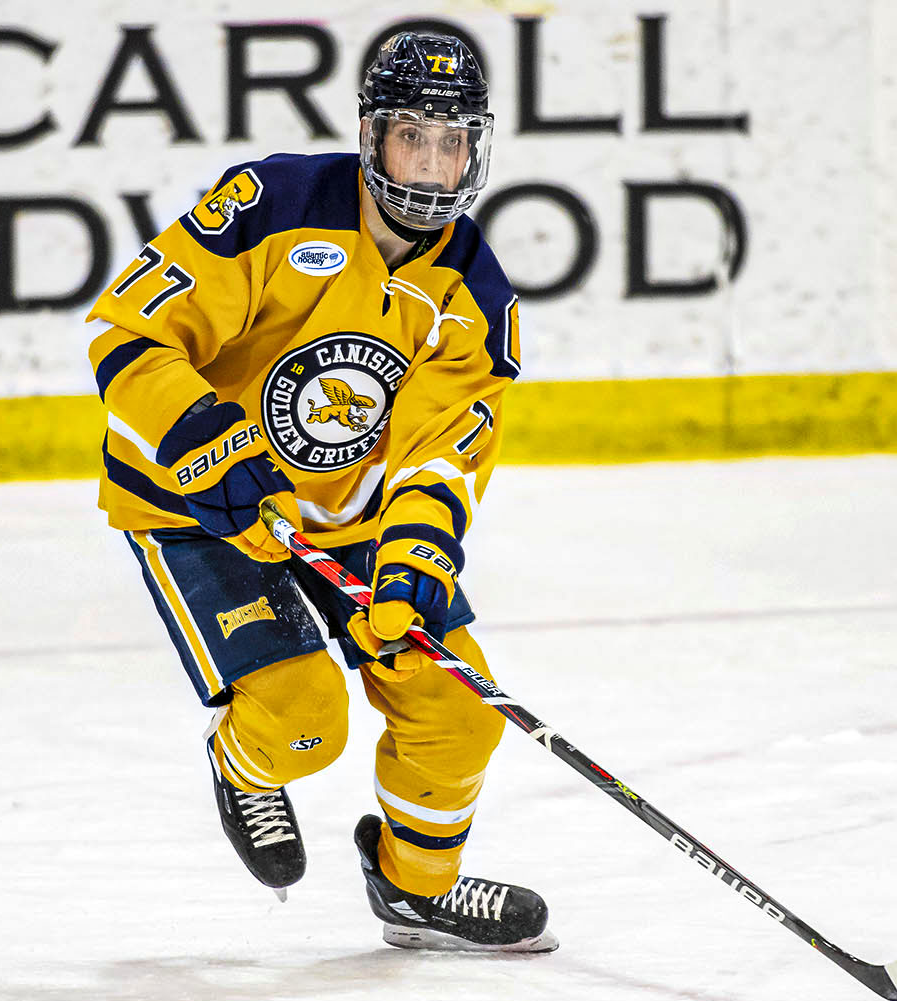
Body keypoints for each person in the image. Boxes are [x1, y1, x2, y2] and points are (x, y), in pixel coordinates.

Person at [82, 32, 552, 952]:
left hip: (351, 519)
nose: (431, 163)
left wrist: (417, 552)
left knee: (458, 710)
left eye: (451, 141)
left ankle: (415, 890)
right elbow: (127, 332)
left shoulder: (473, 291)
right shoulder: (273, 205)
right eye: (412, 136)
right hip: (200, 503)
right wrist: (212, 448)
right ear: (371, 136)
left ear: (477, 149)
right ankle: (244, 762)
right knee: (305, 721)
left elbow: (443, 446)